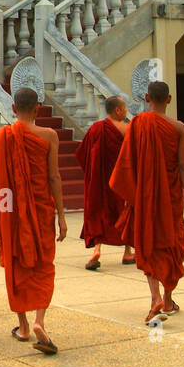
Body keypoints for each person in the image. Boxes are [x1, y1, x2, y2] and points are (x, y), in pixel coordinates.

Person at [0, 87, 67, 353]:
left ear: (13, 109)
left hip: (12, 214)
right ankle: (40, 321)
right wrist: (61, 216)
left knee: (18, 267)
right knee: (43, 265)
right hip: (42, 212)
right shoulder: (49, 136)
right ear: (38, 108)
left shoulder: (2, 137)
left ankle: (24, 327)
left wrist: (0, 219)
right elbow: (54, 178)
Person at [109, 80, 184, 324]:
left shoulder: (138, 124)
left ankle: (155, 297)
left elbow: (127, 162)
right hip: (171, 199)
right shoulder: (179, 128)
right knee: (171, 244)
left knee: (148, 244)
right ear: (169, 99)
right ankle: (167, 299)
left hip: (146, 198)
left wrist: (132, 193)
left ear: (147, 98)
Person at [75, 95, 134, 269]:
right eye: (124, 108)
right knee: (124, 212)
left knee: (99, 213)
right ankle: (127, 252)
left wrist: (92, 174)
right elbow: (132, 155)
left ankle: (97, 250)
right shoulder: (125, 129)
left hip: (99, 182)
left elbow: (82, 154)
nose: (126, 111)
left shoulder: (95, 129)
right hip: (120, 181)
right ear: (117, 110)